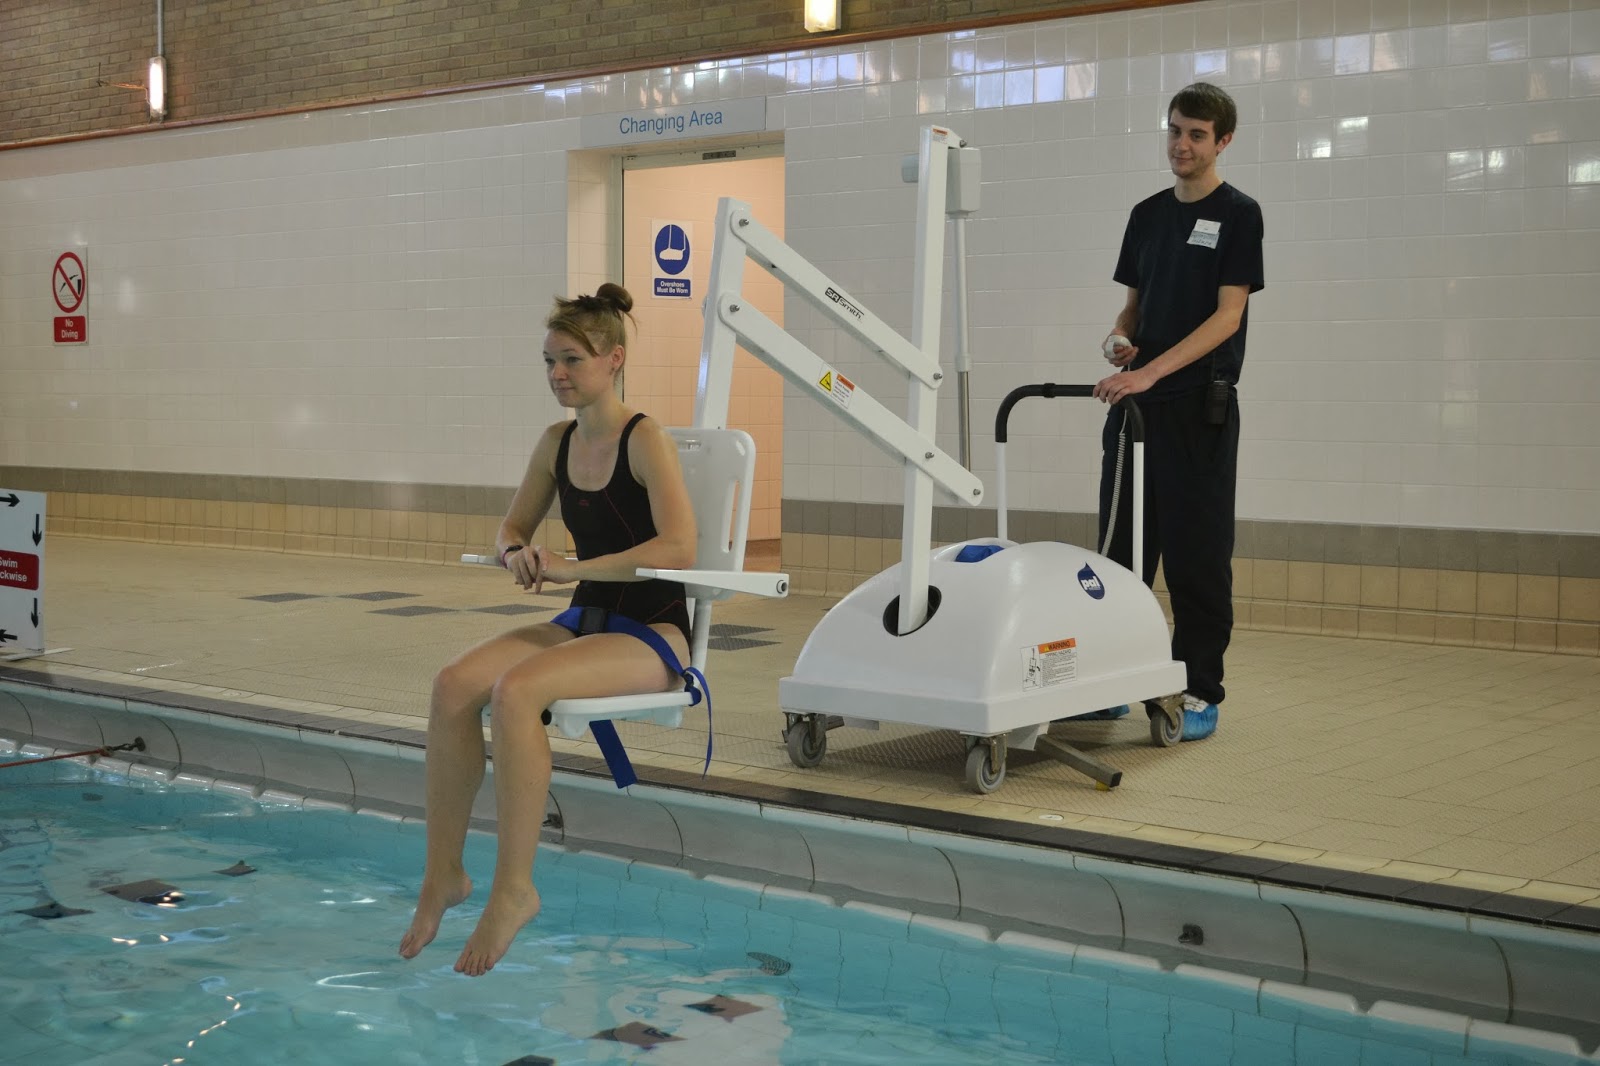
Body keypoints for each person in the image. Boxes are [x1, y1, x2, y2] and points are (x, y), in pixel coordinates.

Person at [399, 283, 696, 976]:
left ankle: (513, 888)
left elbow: (682, 547)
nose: (557, 374)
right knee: (451, 686)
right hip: (584, 621)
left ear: (613, 360)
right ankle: (443, 873)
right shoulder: (556, 442)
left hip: (652, 633)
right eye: (548, 362)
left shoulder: (644, 438)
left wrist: (576, 566)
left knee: (514, 691)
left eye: (571, 359)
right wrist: (517, 554)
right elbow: (511, 528)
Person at [1090, 82, 1265, 741]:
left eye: (1196, 134)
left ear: (1223, 141)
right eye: (1175, 131)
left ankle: (1199, 689)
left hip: (1199, 409)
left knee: (1196, 553)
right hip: (1137, 411)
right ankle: (1110, 680)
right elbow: (1132, 313)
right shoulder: (1147, 215)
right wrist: (1119, 345)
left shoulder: (1239, 215)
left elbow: (1229, 316)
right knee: (1119, 553)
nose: (1182, 144)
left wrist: (1153, 373)